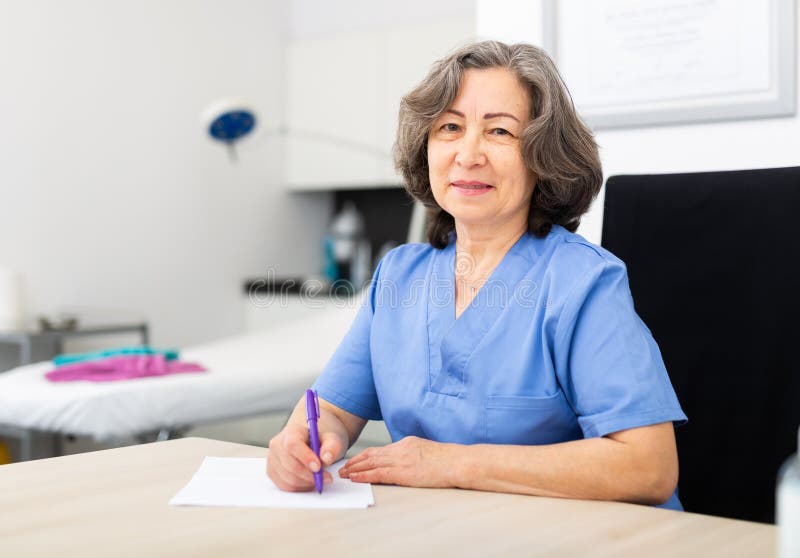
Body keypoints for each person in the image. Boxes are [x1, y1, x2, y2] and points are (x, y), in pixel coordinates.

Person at [267, 40, 687, 509]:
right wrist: (300, 441)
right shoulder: (400, 275)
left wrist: (453, 464)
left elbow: (648, 466)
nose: (468, 154)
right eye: (450, 127)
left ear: (543, 156)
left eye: (500, 132)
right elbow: (333, 412)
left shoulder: (582, 282)